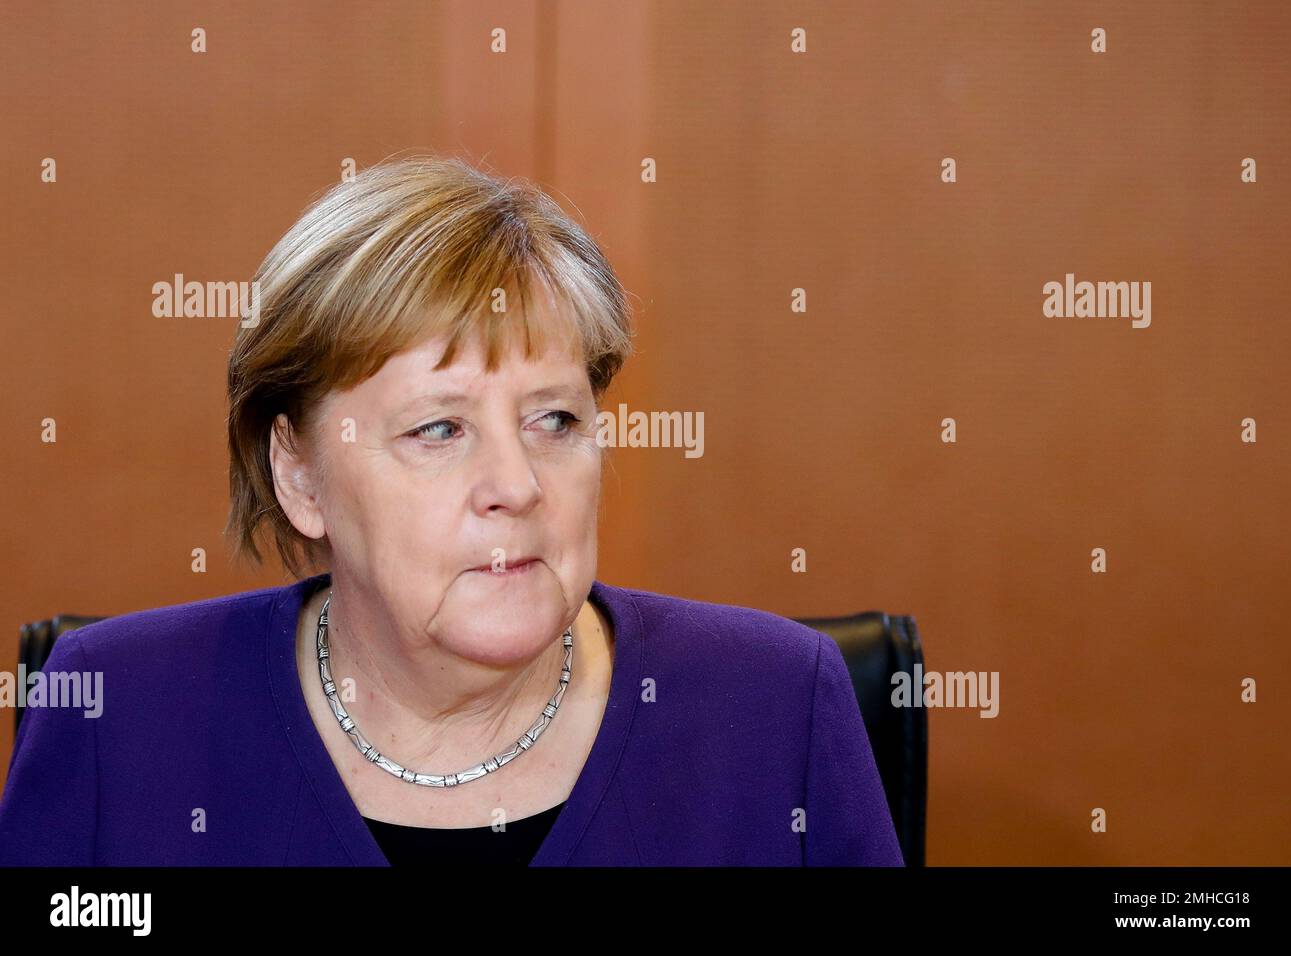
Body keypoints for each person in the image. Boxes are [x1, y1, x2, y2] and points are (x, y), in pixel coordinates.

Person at [0, 156, 903, 866]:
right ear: (300, 475)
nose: (517, 484)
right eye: (438, 429)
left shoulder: (777, 708)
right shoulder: (116, 715)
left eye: (555, 420)